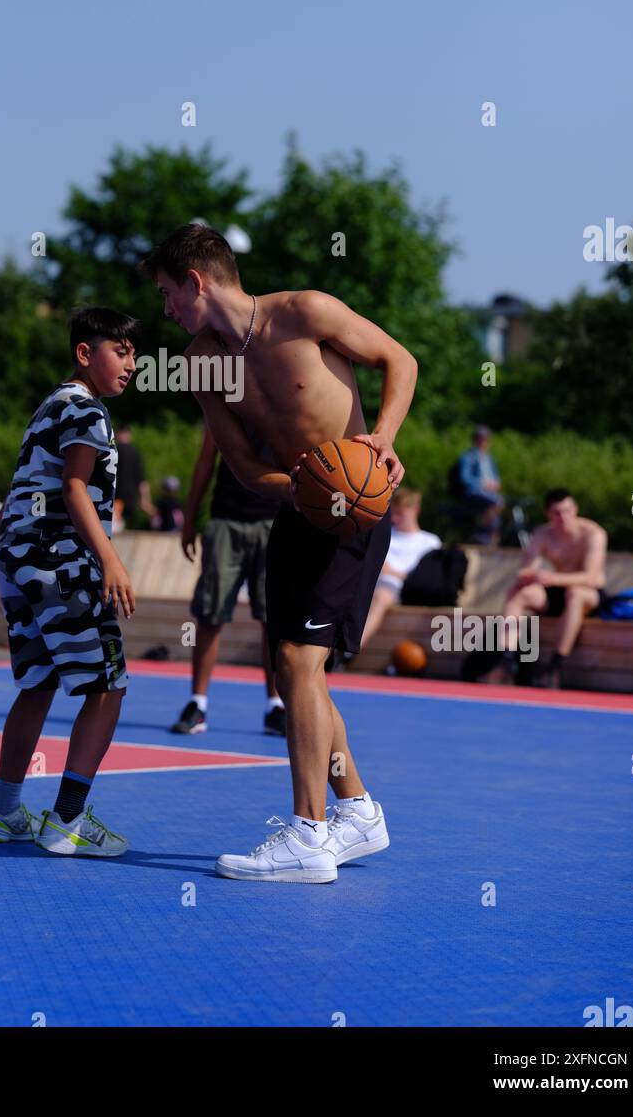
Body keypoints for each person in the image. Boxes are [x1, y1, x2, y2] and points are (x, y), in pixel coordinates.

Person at [144, 224, 417, 884]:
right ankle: (355, 809)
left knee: (297, 661)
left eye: (167, 294)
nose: (166, 310)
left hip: (355, 511)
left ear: (196, 281)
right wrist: (297, 488)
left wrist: (379, 439)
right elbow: (238, 461)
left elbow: (399, 361)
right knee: (297, 668)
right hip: (299, 512)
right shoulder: (199, 360)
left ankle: (306, 833)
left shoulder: (305, 312)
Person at [0, 307, 138, 857]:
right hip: (61, 562)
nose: (132, 363)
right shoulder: (89, 412)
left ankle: (4, 810)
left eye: (135, 352)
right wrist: (108, 557)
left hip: (21, 562)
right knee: (107, 687)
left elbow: (20, 488)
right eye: (120, 350)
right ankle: (67, 821)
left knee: (37, 683)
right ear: (85, 353)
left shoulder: (49, 406)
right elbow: (74, 488)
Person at [170, 426, 285, 737]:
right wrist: (189, 519)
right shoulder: (229, 394)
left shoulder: (288, 391)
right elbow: (206, 460)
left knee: (274, 620)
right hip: (226, 519)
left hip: (274, 519)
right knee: (210, 614)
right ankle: (198, 703)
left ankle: (276, 706)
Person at [488, 488, 607, 689]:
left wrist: (551, 578)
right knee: (518, 594)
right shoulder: (543, 534)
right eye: (557, 513)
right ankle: (506, 662)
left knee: (575, 593)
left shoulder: (593, 534)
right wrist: (528, 576)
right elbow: (526, 568)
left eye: (567, 511)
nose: (563, 517)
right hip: (558, 591)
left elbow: (591, 577)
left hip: (589, 595)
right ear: (548, 514)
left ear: (575, 509)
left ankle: (555, 667)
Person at [353, 488, 441, 656]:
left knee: (381, 595)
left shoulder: (430, 542)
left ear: (415, 510)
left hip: (400, 589)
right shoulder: (385, 534)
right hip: (370, 583)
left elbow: (425, 580)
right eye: (393, 513)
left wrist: (391, 571)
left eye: (400, 513)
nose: (394, 518)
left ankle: (351, 650)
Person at [454, 424, 504, 545]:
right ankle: (480, 528)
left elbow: (495, 477)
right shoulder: (467, 458)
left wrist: (495, 484)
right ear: (475, 440)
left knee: (496, 518)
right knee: (498, 502)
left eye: (486, 439)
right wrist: (482, 483)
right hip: (474, 493)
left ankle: (489, 542)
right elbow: (464, 478)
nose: (484, 442)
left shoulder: (490, 459)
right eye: (481, 439)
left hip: (489, 494)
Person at [112, 424, 155, 531]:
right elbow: (142, 479)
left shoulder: (114, 450)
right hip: (131, 498)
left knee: (115, 527)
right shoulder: (136, 452)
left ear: (118, 434)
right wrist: (145, 499)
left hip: (116, 497)